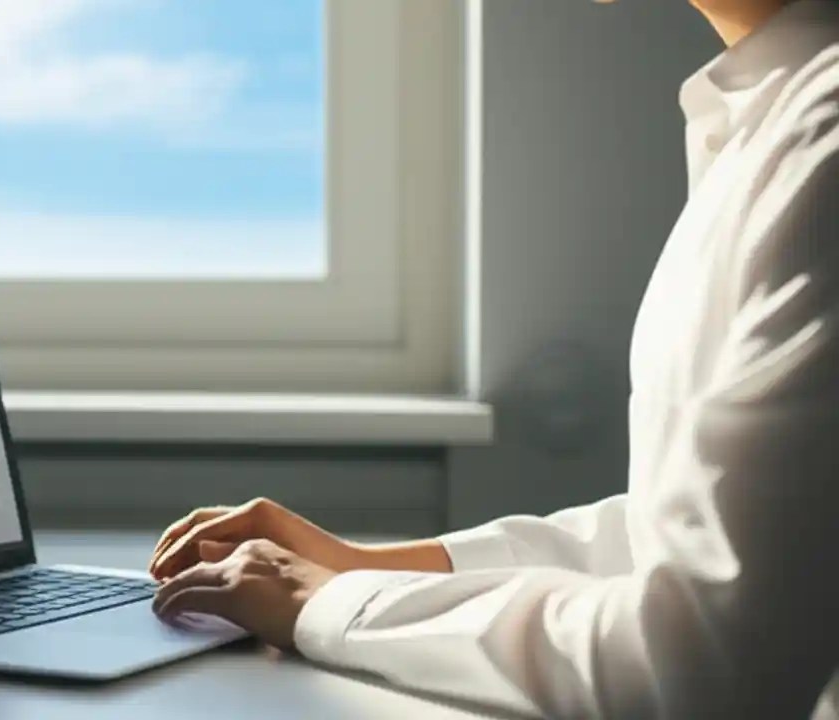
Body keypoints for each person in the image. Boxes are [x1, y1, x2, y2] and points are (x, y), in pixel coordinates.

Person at [148, 1, 839, 716]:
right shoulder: (778, 108)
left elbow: (703, 662)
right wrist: (373, 566)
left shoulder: (825, 140)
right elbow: (720, 531)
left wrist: (327, 601)